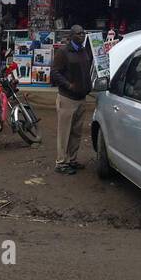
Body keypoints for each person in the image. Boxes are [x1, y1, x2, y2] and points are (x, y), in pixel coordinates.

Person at [49, 25, 93, 175]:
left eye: (83, 33)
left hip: (81, 97)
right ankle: (61, 162)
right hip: (67, 97)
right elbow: (54, 72)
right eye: (79, 33)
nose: (82, 35)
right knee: (65, 132)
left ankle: (72, 159)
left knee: (76, 131)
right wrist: (68, 84)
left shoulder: (83, 50)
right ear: (72, 35)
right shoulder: (63, 52)